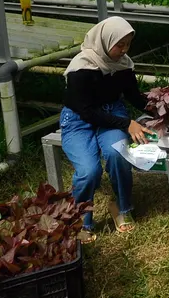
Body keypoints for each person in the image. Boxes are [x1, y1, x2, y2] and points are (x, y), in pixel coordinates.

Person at [60, 16, 154, 242]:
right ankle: (79, 220)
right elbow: (87, 111)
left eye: (128, 45)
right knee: (88, 171)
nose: (124, 50)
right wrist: (126, 124)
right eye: (119, 45)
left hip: (112, 112)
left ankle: (122, 207)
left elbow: (134, 97)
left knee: (116, 154)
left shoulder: (123, 64)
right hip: (78, 120)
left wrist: (163, 111)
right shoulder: (81, 68)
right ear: (103, 41)